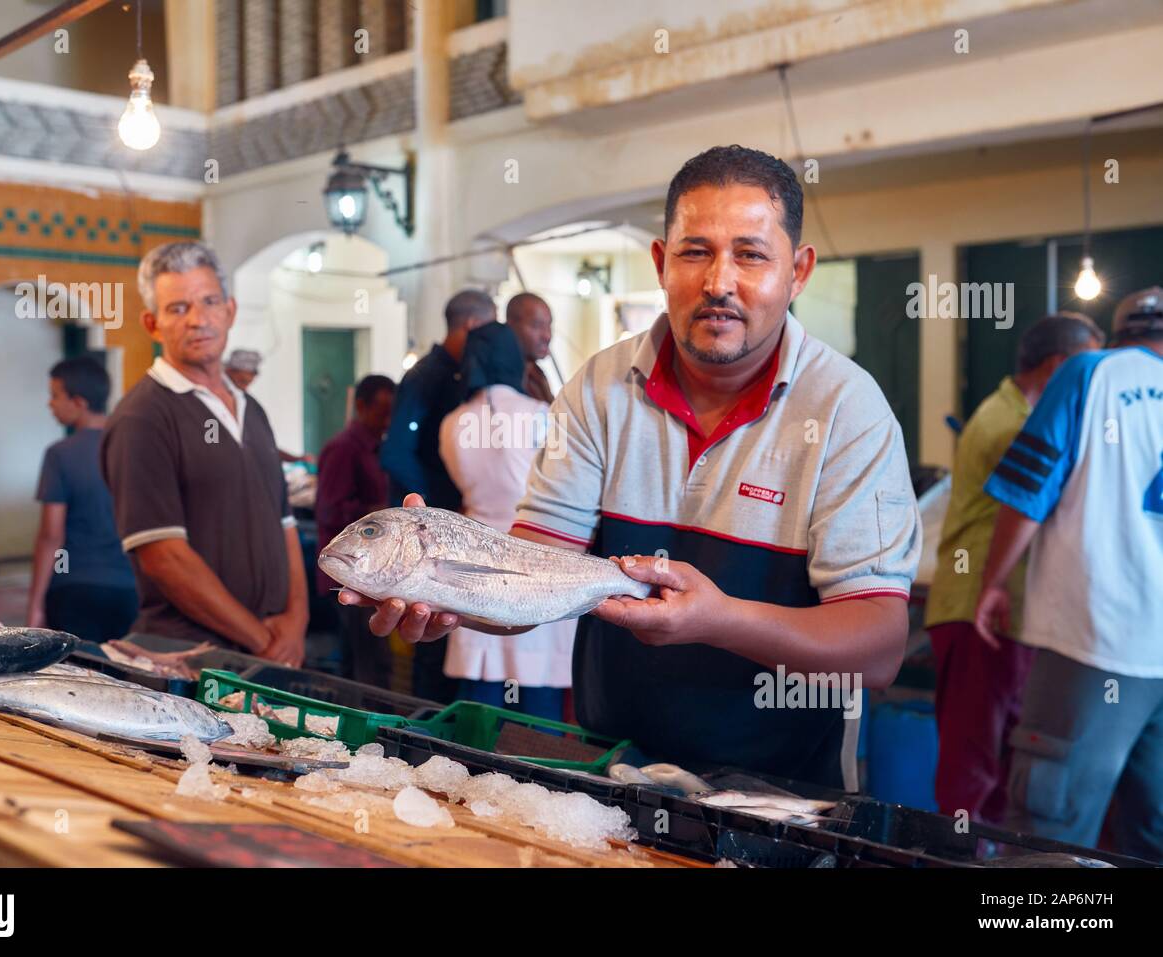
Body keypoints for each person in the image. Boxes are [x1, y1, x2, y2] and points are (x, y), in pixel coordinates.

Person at [342, 145, 921, 787]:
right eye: (694, 251)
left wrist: (720, 618)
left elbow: (877, 646)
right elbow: (532, 571)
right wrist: (440, 584)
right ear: (660, 262)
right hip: (606, 771)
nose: (719, 282)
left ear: (799, 271)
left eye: (751, 254)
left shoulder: (846, 409)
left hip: (778, 793)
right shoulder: (600, 388)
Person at [976, 287, 1163, 861]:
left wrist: (993, 582)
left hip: (1093, 642)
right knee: (1152, 834)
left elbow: (1029, 491)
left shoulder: (1090, 373)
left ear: (1118, 332)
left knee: (1046, 836)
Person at [925, 312, 1103, 825]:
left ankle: (997, 871)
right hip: (981, 608)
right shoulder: (1013, 425)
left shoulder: (1013, 412)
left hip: (1001, 609)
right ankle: (962, 862)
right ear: (1061, 366)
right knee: (974, 763)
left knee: (999, 757)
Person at [101, 241, 309, 663]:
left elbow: (284, 523)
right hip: (189, 654)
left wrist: (296, 622)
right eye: (178, 308)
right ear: (152, 324)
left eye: (210, 301)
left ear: (230, 311)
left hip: (267, 649)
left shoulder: (253, 410)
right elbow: (164, 557)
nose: (198, 320)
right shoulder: (143, 417)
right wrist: (262, 641)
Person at [439, 321, 574, 720]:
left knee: (480, 694)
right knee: (537, 701)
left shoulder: (450, 423)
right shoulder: (541, 414)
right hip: (532, 548)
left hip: (469, 554)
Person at [381, 288, 496, 701]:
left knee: (447, 627)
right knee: (427, 638)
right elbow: (395, 452)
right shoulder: (426, 375)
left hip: (446, 534)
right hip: (423, 534)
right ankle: (425, 744)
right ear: (472, 326)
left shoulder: (461, 376)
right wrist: (435, 511)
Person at [26, 356, 138, 643]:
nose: (49, 404)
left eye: (55, 396)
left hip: (73, 589)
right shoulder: (135, 451)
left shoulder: (60, 454)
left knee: (78, 678)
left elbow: (51, 536)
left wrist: (36, 605)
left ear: (79, 402)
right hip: (130, 589)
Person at [316, 374, 396, 687]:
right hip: (350, 574)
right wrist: (376, 515)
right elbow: (328, 510)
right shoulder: (343, 449)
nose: (388, 420)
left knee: (361, 662)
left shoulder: (378, 448)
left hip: (367, 573)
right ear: (361, 406)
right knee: (370, 666)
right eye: (382, 411)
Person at [506, 292, 555, 404]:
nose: (547, 336)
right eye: (537, 326)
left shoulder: (536, 375)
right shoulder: (503, 379)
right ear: (510, 326)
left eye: (549, 325)